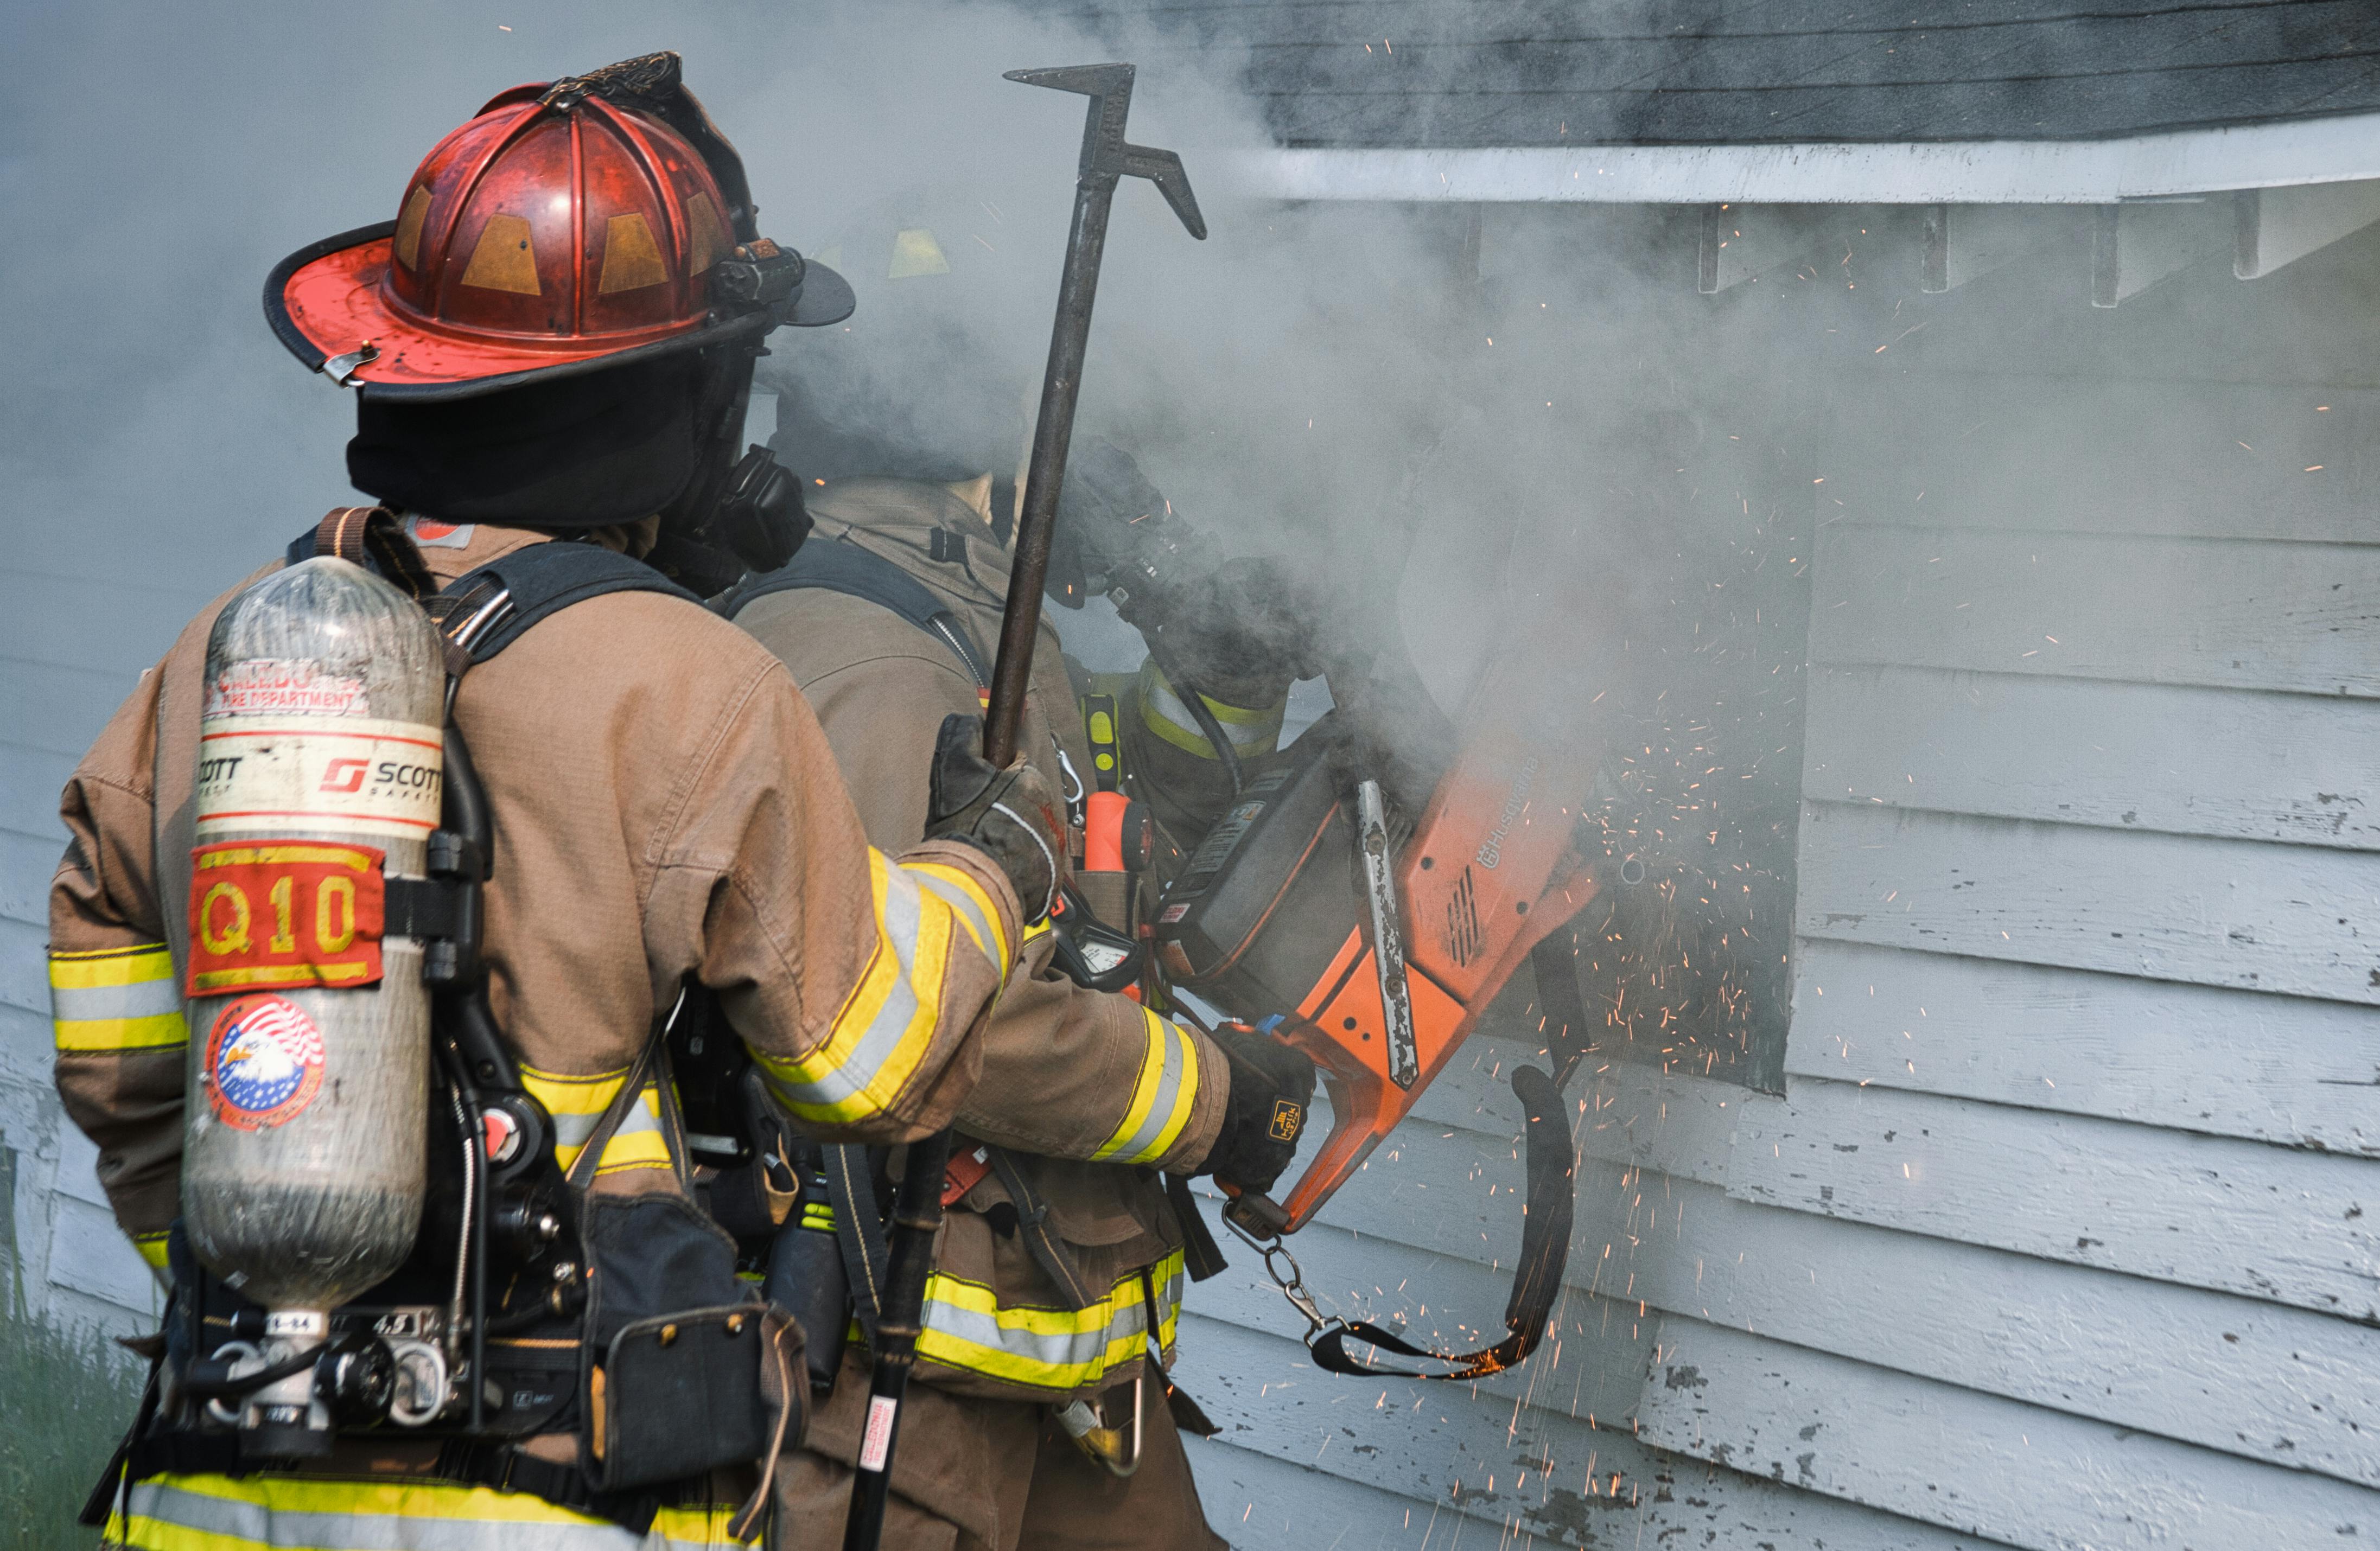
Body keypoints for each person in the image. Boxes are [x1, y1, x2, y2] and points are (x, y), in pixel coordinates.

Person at [45, 54, 1100, 1551]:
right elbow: (865, 1058)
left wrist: (290, 1289)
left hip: (222, 1474)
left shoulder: (210, 664)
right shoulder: (690, 683)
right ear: (682, 394)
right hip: (553, 1491)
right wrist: (988, 864)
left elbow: (123, 1073)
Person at [726, 445, 1320, 1549]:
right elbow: (936, 1015)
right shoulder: (890, 667)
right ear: (1000, 457)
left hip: (1048, 1346)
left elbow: (1114, 839)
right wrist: (1216, 1100)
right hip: (903, 1370)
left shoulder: (970, 626)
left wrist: (1228, 676)